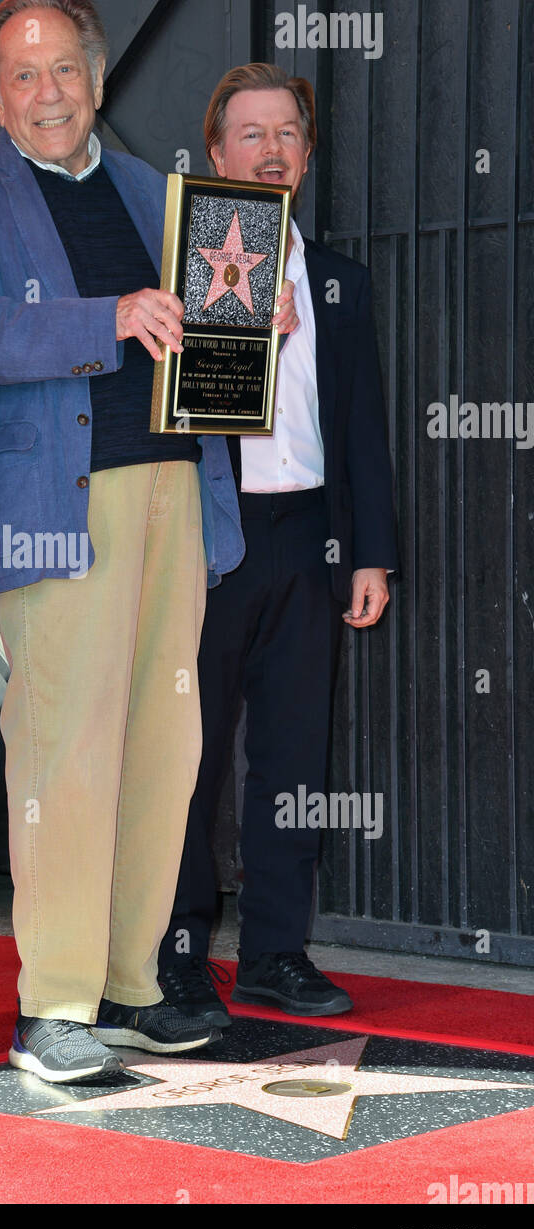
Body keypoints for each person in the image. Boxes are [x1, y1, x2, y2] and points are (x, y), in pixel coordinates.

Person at [0, 0, 297, 1085]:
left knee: (162, 751)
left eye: (64, 71)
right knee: (66, 752)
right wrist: (109, 317)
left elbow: (210, 346)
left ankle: (132, 983)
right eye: (23, 75)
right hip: (52, 513)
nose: (48, 93)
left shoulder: (160, 192)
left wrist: (248, 324)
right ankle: (55, 1005)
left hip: (178, 493)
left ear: (97, 77)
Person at [158, 64, 398, 1024]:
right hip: (205, 536)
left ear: (306, 156)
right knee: (188, 756)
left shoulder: (342, 283)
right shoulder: (181, 268)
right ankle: (173, 952)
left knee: (295, 758)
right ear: (216, 155)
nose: (268, 150)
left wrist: (369, 549)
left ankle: (275, 956)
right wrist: (243, 322)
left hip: (309, 539)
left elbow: (362, 427)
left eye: (286, 133)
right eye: (249, 134)